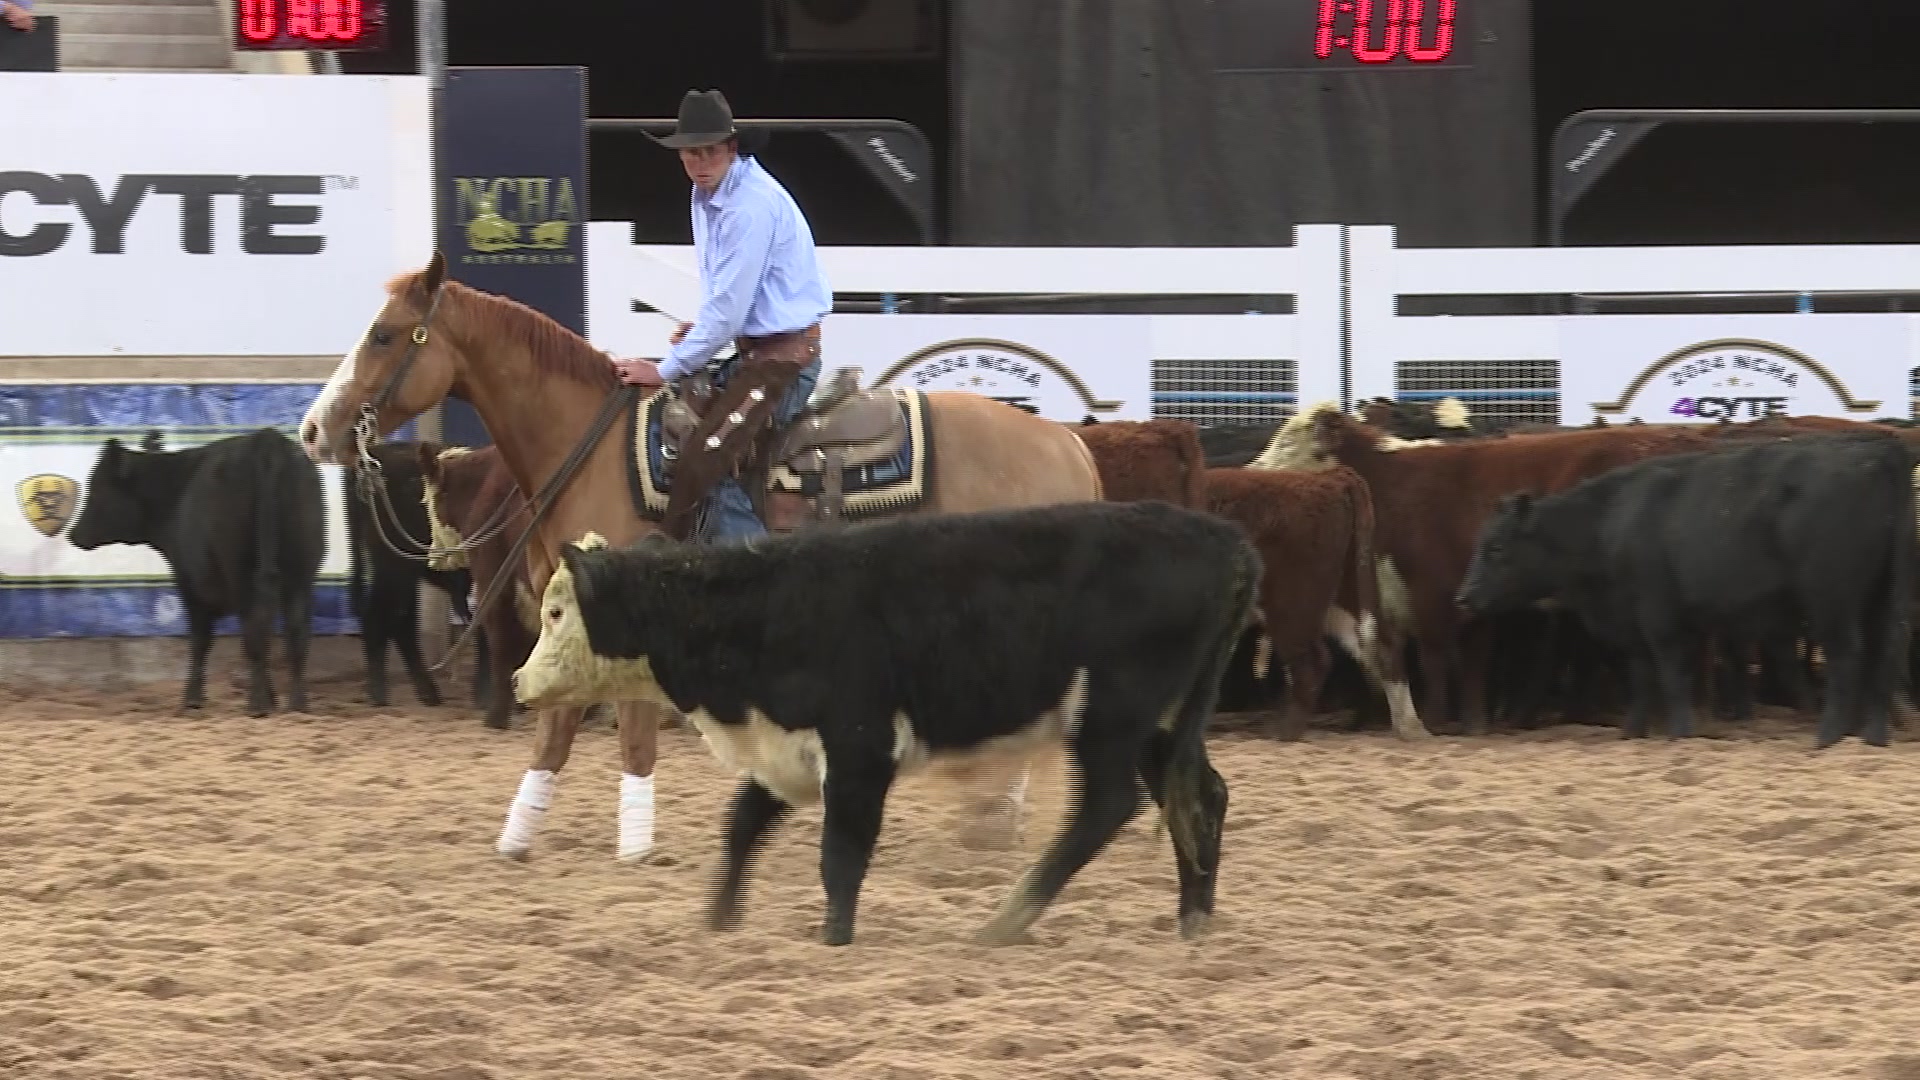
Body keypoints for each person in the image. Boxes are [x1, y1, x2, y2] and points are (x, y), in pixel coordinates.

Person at [612, 88, 832, 543]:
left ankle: (750, 579)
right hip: (766, 351)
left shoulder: (746, 207)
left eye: (710, 150)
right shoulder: (714, 195)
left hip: (785, 361)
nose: (699, 161)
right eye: (691, 152)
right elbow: (733, 302)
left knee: (707, 458)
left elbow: (727, 311)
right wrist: (708, 334)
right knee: (686, 434)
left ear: (731, 148)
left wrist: (664, 369)